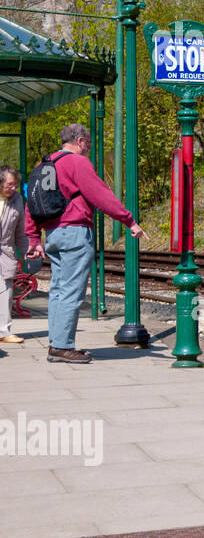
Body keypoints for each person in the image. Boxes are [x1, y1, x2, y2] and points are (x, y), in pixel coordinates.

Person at [24, 124, 148, 363]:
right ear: (80, 141)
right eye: (88, 145)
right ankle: (62, 347)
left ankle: (56, 343)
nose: (88, 149)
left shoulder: (43, 166)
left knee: (58, 291)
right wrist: (128, 220)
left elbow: (32, 203)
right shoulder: (77, 163)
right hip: (75, 232)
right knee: (72, 291)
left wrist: (33, 237)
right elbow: (100, 195)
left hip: (53, 235)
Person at [0, 165, 26, 344]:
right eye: (10, 184)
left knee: (6, 291)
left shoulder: (17, 200)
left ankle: (4, 331)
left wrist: (27, 252)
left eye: (15, 184)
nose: (13, 188)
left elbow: (20, 231)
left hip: (5, 250)